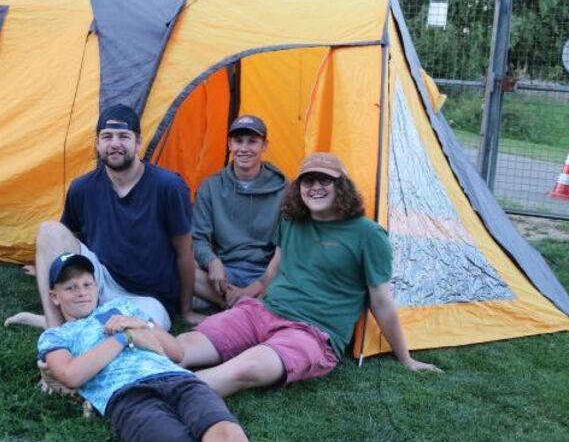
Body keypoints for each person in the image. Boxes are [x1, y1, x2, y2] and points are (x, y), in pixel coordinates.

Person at [178, 152, 441, 398]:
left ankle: (175, 390)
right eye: (307, 181)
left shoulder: (369, 235)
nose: (315, 186)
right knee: (185, 345)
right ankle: (148, 368)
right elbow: (273, 270)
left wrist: (405, 358)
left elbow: (381, 303)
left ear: (343, 186)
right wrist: (249, 299)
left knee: (248, 368)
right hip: (263, 312)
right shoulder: (291, 221)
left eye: (324, 179)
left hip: (314, 332)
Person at [7, 104, 204, 330]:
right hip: (97, 281)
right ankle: (55, 328)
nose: (115, 144)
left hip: (148, 298)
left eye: (123, 136)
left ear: (138, 142)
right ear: (98, 143)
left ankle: (81, 325)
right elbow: (67, 240)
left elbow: (184, 251)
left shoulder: (169, 186)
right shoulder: (82, 188)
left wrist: (186, 310)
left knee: (132, 336)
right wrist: (45, 266)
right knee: (49, 230)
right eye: (107, 136)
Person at [38, 252, 249, 442]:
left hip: (179, 379)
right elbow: (71, 374)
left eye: (87, 284)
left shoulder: (123, 308)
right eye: (70, 287)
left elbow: (177, 352)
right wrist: (126, 337)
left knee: (228, 435)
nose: (81, 292)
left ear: (96, 287)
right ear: (55, 296)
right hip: (128, 394)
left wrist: (142, 324)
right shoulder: (57, 335)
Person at [192, 115, 285, 309]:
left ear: (264, 145)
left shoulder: (284, 189)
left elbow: (287, 247)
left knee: (296, 282)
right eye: (238, 141)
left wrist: (260, 284)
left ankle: (236, 304)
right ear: (229, 145)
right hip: (224, 271)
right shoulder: (210, 186)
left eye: (252, 142)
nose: (244, 148)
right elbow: (198, 237)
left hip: (266, 272)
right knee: (179, 266)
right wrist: (212, 261)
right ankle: (248, 307)